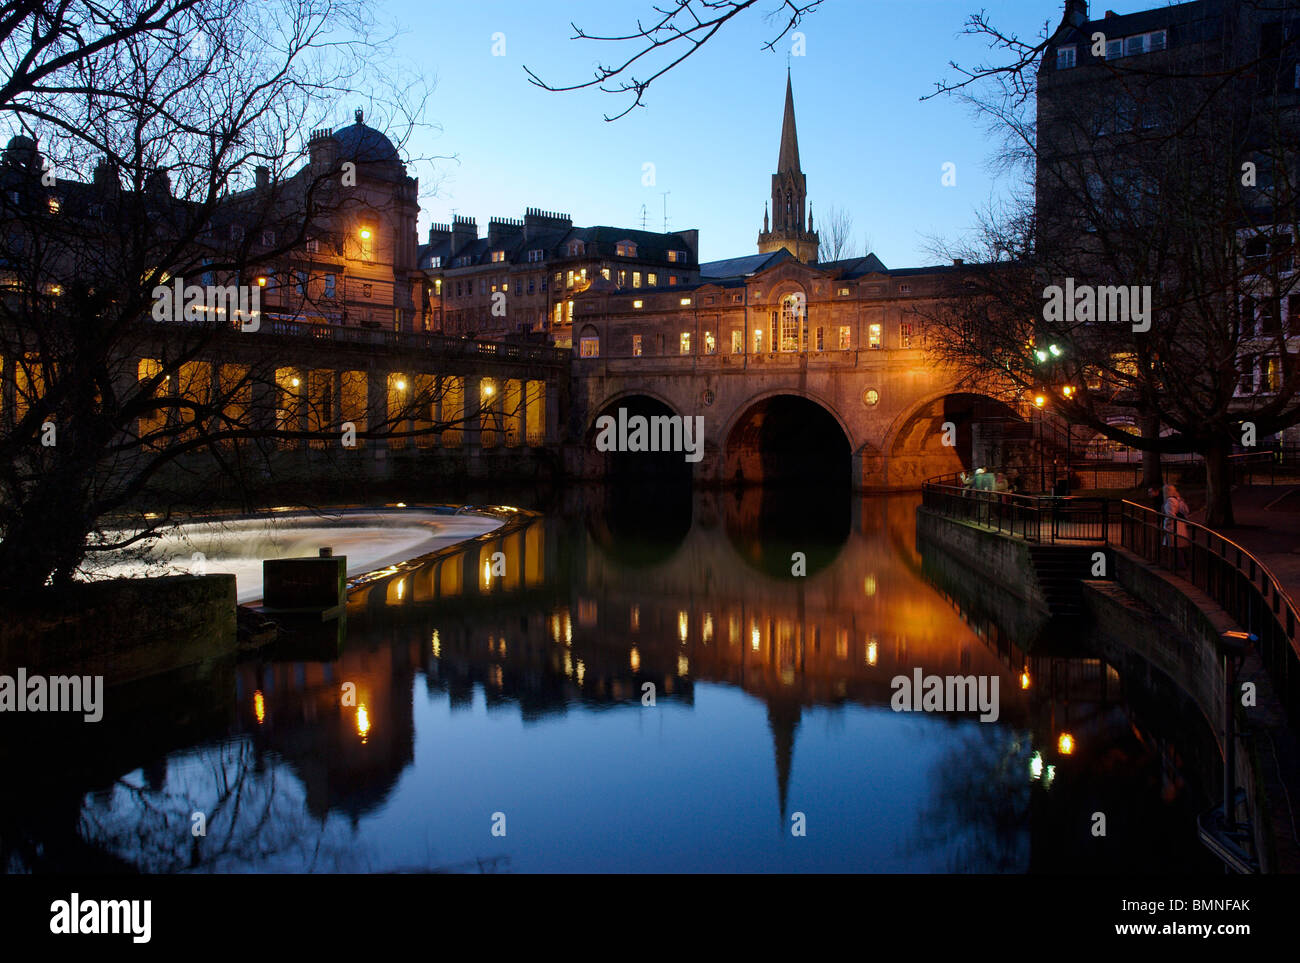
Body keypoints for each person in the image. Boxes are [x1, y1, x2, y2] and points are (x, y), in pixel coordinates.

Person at [1161, 484, 1191, 565]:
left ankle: (1176, 565)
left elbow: (1170, 514)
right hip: (1180, 527)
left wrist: (1166, 525)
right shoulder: (1179, 500)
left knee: (1174, 547)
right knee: (1179, 547)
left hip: (1173, 527)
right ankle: (1182, 564)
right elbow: (1186, 511)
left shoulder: (1170, 501)